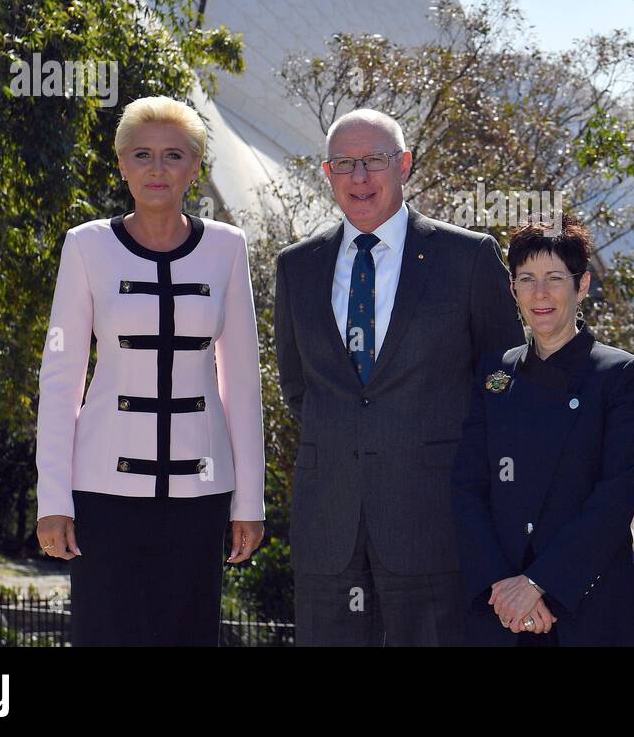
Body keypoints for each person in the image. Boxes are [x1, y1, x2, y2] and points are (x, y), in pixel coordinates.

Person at [273, 109, 522, 646]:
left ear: (404, 165)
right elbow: (298, 385)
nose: (360, 178)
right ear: (327, 173)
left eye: (375, 162)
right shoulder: (297, 266)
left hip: (433, 520)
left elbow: (504, 376)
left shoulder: (468, 258)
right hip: (329, 525)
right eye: (345, 164)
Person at [36, 95, 265, 646]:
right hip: (103, 493)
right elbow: (61, 378)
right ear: (121, 164)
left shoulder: (227, 248)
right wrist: (53, 500)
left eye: (173, 155)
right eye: (142, 154)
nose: (157, 169)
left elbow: (243, 381)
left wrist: (249, 501)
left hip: (200, 494)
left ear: (195, 165)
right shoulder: (86, 245)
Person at [451, 213, 634, 646]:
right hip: (502, 611)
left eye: (554, 278)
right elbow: (468, 488)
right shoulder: (494, 372)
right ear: (512, 290)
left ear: (581, 286)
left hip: (591, 606)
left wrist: (537, 584)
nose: (540, 294)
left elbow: (615, 498)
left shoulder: (620, 374)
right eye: (526, 279)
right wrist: (504, 587)